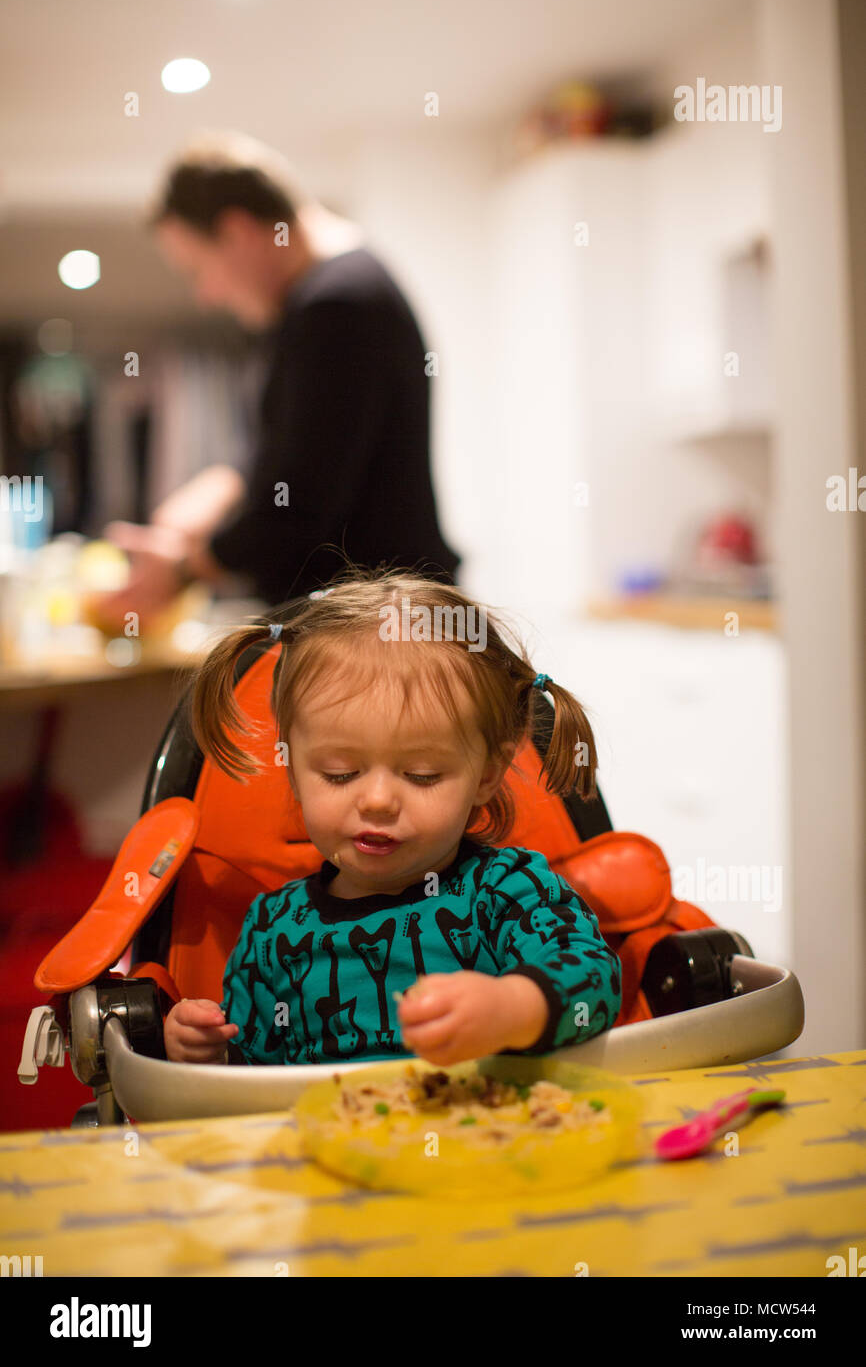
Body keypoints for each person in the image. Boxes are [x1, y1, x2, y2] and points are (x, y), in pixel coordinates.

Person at [163, 567, 621, 1067]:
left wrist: (512, 1008)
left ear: (488, 774)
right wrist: (208, 1054)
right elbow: (252, 1080)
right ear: (292, 768)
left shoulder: (507, 893)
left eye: (422, 774)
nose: (378, 801)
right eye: (340, 773)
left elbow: (593, 982)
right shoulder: (273, 929)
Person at [94, 133, 460, 626]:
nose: (206, 295)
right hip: (387, 622)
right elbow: (306, 451)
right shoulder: (341, 292)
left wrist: (179, 570)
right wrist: (225, 484)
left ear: (239, 231)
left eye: (197, 269)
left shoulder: (336, 308)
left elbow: (297, 511)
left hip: (375, 634)